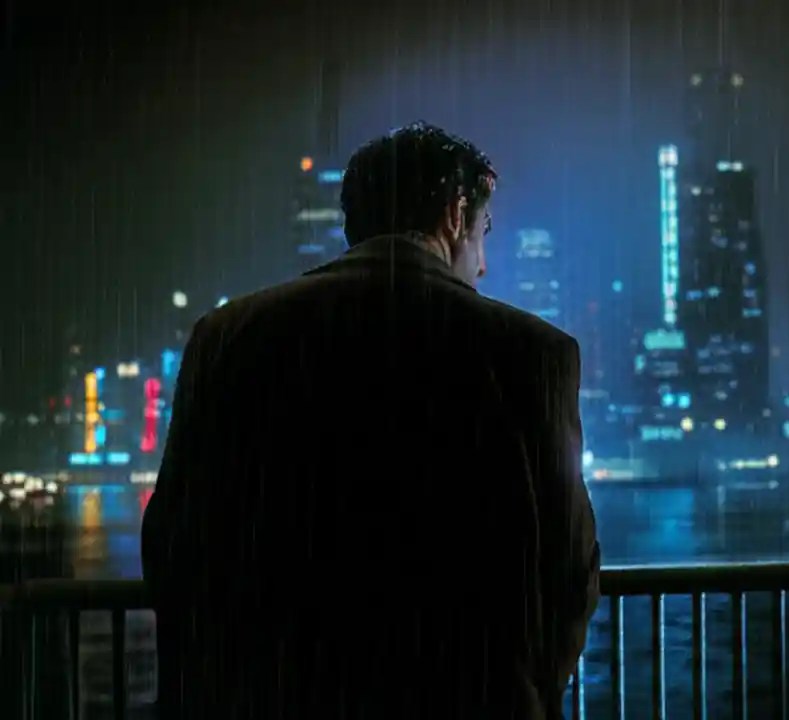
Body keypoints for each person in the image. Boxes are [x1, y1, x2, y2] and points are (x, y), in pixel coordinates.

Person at [142, 122, 600, 719]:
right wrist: (525, 691)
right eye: (485, 231)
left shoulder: (228, 337)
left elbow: (175, 545)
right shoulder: (529, 351)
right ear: (456, 215)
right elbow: (568, 568)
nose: (483, 264)